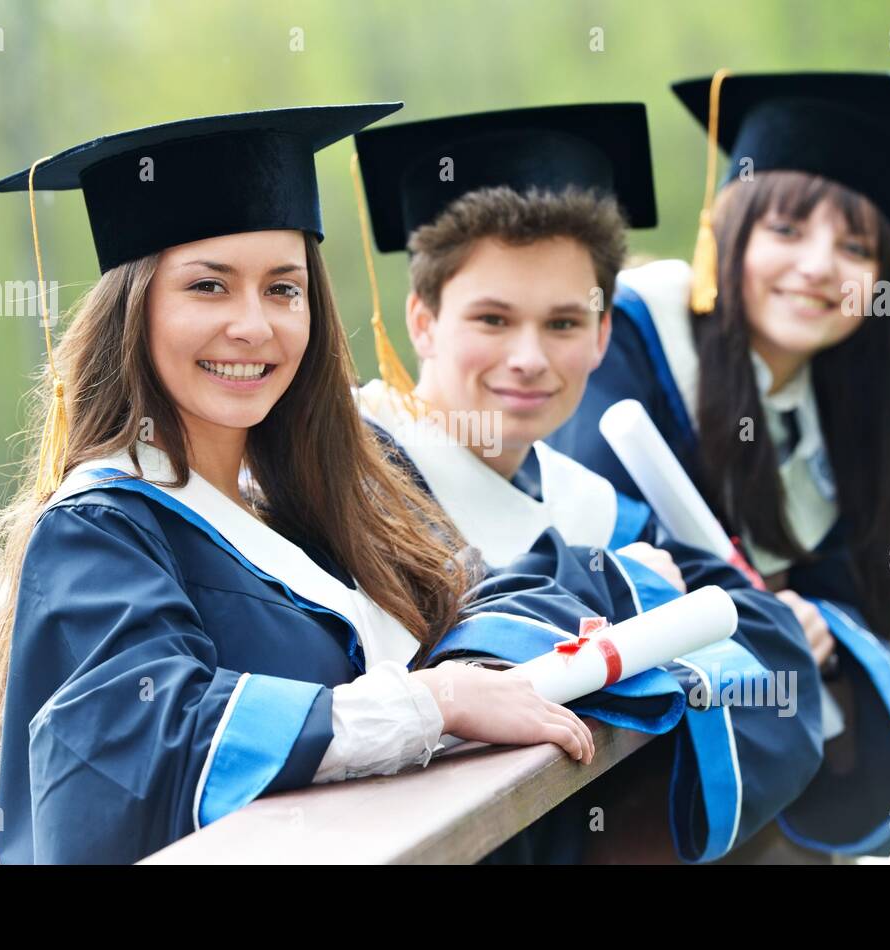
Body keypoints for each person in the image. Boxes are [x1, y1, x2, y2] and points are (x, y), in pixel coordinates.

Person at [0, 105, 677, 865]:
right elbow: (143, 749)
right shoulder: (100, 530)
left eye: (283, 289)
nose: (253, 325)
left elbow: (470, 600)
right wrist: (433, 703)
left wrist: (611, 585)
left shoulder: (309, 505)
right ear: (134, 311)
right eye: (208, 287)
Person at [548, 71, 890, 856]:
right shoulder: (631, 336)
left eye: (855, 246)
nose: (822, 266)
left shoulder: (858, 412)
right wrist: (765, 614)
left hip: (768, 783)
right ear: (728, 232)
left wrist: (823, 627)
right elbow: (598, 548)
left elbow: (859, 597)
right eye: (788, 232)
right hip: (617, 784)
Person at [350, 104, 824, 862]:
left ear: (604, 332)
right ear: (423, 320)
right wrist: (629, 595)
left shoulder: (599, 507)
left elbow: (766, 658)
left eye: (564, 323)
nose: (530, 357)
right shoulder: (342, 483)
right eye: (494, 319)